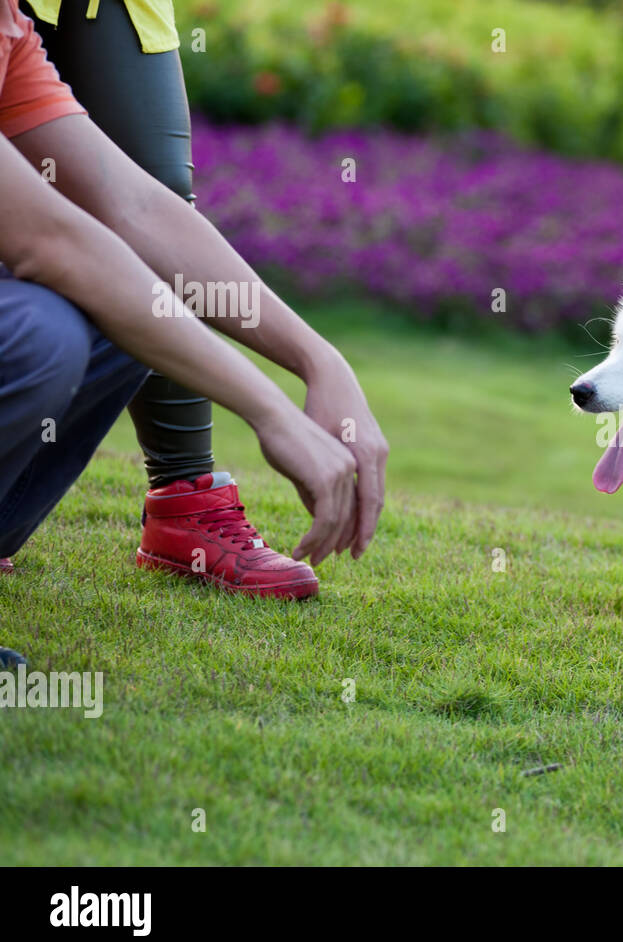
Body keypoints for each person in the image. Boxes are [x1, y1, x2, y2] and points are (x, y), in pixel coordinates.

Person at [0, 0, 388, 614]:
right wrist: (271, 413)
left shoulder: (10, 31)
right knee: (46, 332)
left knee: (140, 293)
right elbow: (49, 241)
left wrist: (321, 363)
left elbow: (136, 209)